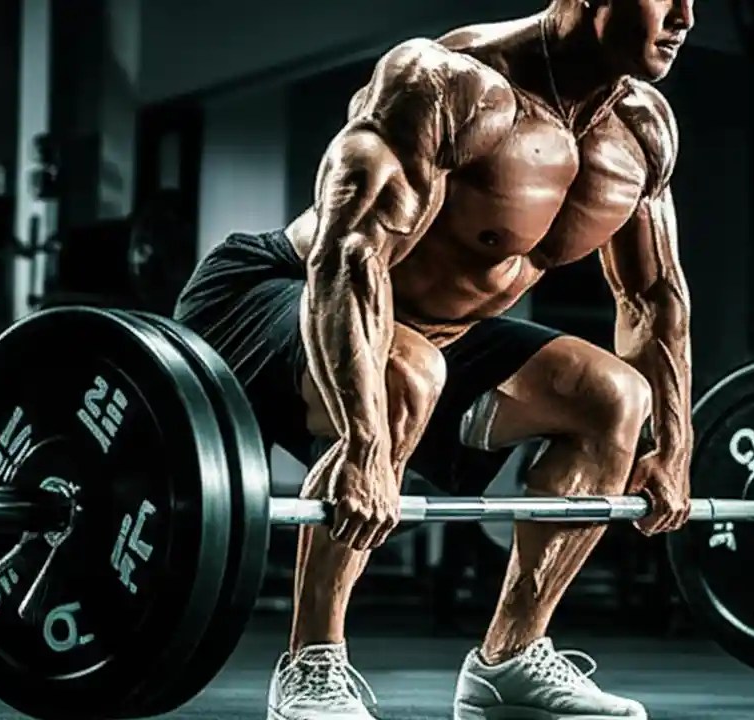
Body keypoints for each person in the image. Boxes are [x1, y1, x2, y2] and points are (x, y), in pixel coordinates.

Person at [174, 0, 696, 717]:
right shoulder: (450, 83)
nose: (685, 16)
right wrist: (364, 443)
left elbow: (652, 297)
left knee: (615, 398)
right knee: (406, 372)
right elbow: (350, 253)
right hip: (275, 293)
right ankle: (312, 665)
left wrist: (673, 446)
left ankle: (510, 661)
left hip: (434, 336)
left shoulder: (641, 131)